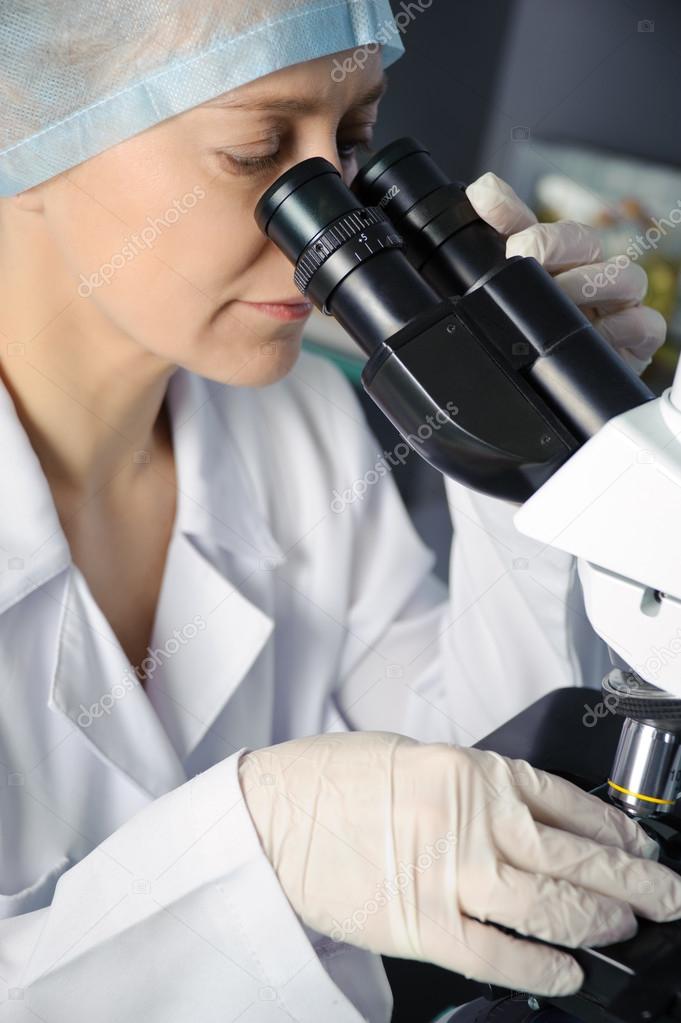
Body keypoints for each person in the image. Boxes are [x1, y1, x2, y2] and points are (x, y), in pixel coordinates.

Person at [0, 3, 674, 1021]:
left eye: (353, 140)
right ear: (28, 128)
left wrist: (522, 457)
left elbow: (467, 774)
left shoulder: (299, 421)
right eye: (255, 149)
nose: (334, 221)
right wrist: (253, 854)